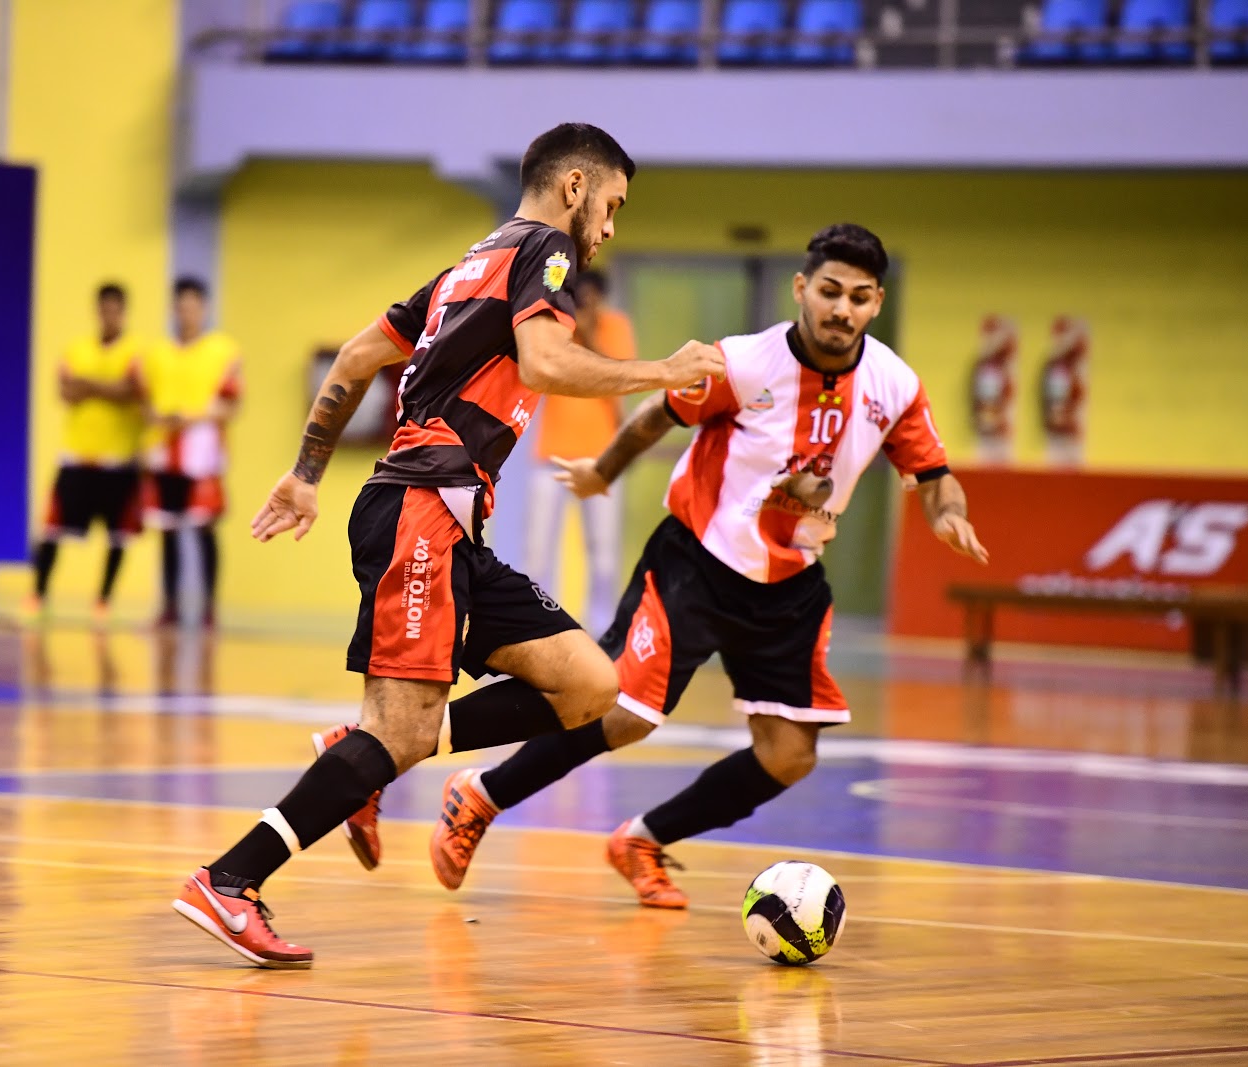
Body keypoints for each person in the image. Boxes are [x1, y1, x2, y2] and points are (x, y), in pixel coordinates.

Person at [171, 122, 726, 969]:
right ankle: (231, 879)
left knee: (590, 684)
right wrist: (663, 370)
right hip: (421, 509)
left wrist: (306, 472)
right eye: (612, 205)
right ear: (575, 187)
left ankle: (356, 759)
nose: (610, 227)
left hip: (450, 520)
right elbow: (543, 363)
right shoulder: (545, 250)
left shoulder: (468, 264)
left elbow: (358, 357)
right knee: (396, 733)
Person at [422, 223, 991, 907]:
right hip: (695, 559)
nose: (843, 309)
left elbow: (933, 472)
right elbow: (654, 418)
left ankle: (643, 839)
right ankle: (479, 795)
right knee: (624, 709)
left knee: (789, 754)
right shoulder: (746, 362)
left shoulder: (894, 385)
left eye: (861, 297)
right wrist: (604, 473)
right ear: (802, 288)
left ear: (876, 304)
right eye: (832, 291)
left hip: (788, 586)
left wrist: (948, 511)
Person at [526, 268, 636, 634]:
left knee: (603, 555)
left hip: (601, 459)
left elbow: (617, 378)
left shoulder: (616, 327)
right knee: (538, 555)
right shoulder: (557, 328)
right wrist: (575, 327)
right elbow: (550, 371)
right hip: (552, 457)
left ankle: (602, 631)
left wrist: (589, 331)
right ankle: (542, 630)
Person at [26, 283, 145, 619]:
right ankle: (37, 595)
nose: (109, 316)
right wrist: (110, 386)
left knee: (118, 536)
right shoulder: (77, 349)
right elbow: (66, 390)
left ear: (124, 312)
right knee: (51, 529)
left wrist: (90, 385)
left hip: (119, 459)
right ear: (97, 311)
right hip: (77, 456)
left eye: (115, 310)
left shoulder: (136, 352)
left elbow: (132, 392)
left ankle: (103, 601)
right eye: (103, 309)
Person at [140, 276, 241, 627]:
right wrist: (156, 417)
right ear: (173, 308)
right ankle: (169, 606)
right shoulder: (156, 354)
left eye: (194, 306)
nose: (188, 313)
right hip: (162, 452)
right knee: (167, 530)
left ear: (205, 308)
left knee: (203, 529)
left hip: (202, 455)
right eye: (181, 306)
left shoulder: (223, 352)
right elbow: (144, 402)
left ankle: (209, 607)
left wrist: (192, 416)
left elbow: (230, 405)